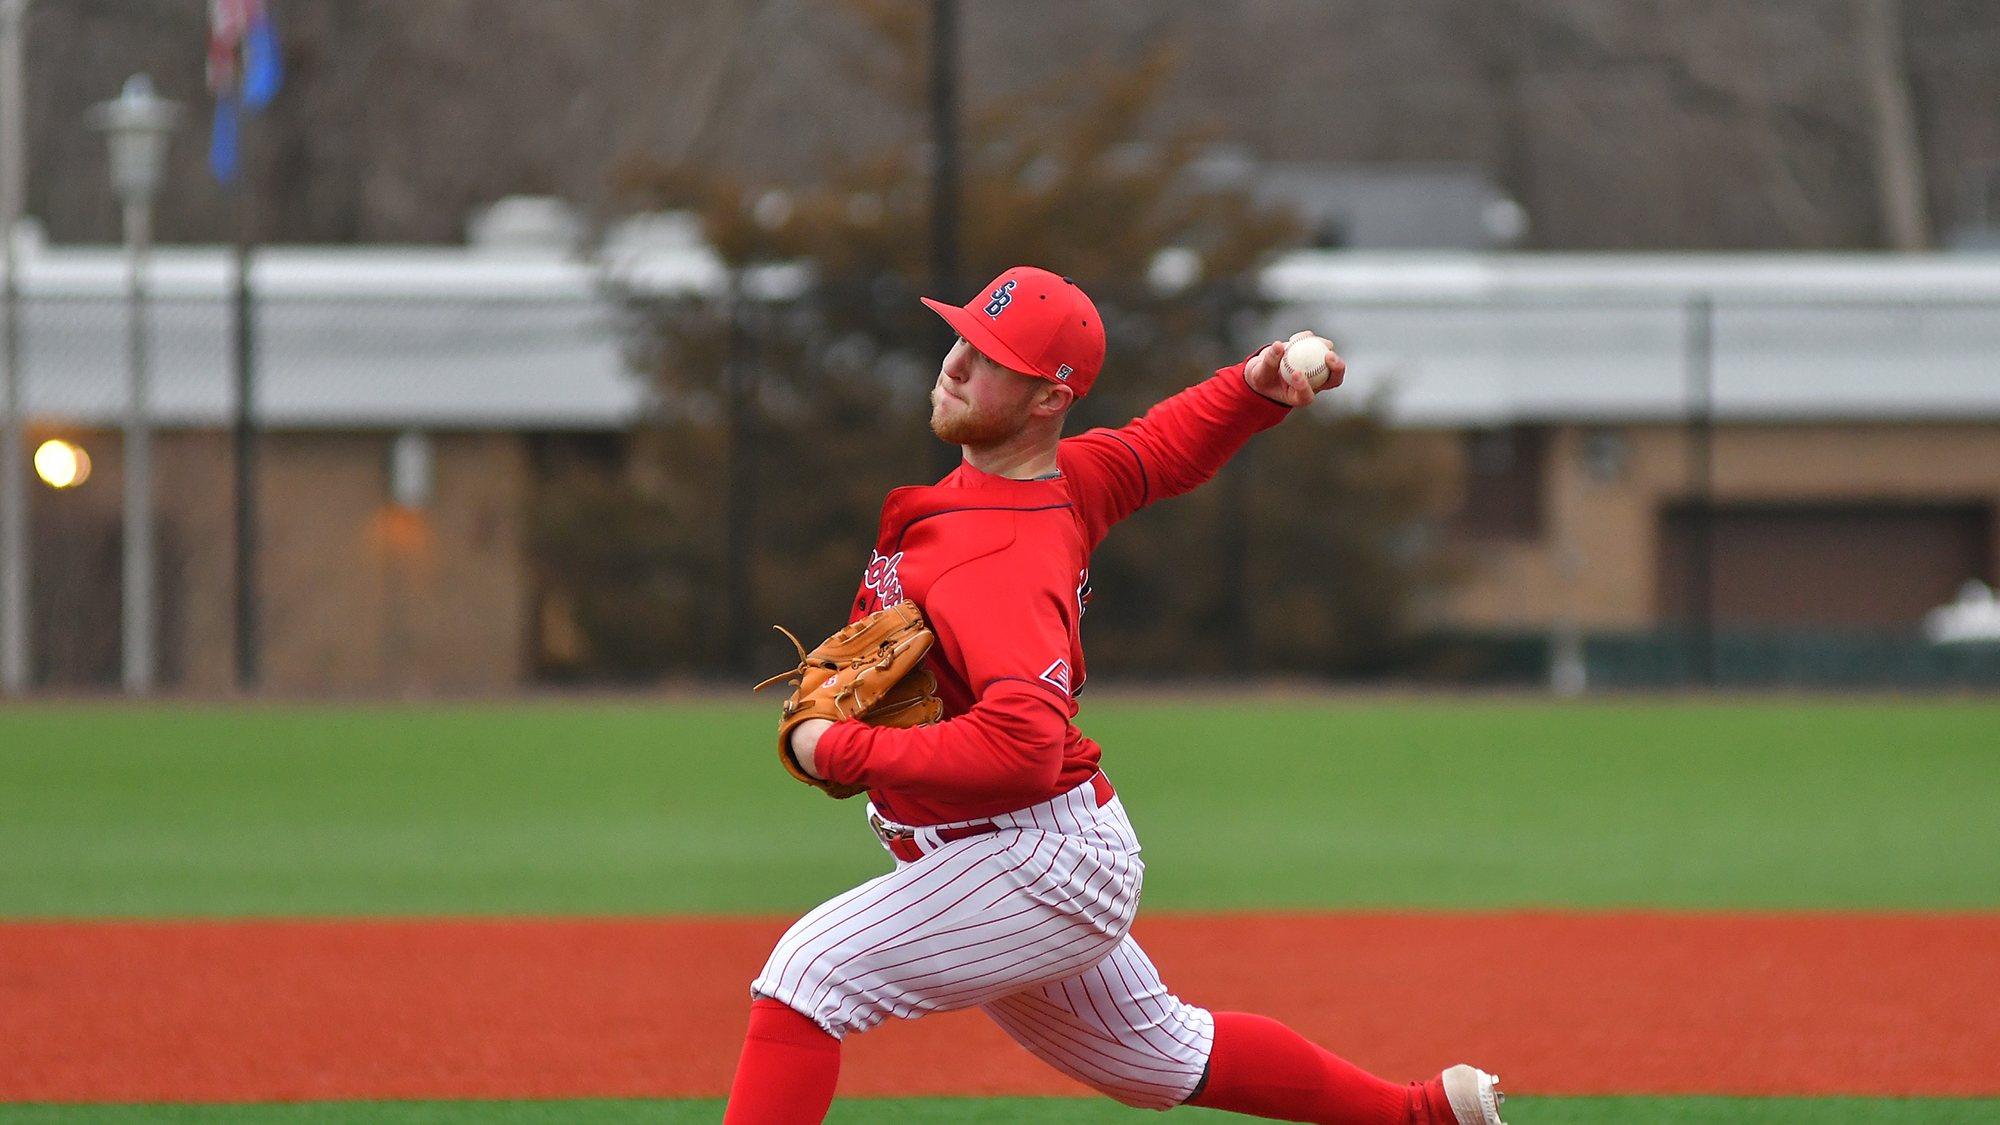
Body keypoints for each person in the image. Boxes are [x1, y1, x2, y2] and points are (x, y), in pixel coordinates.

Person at [723, 266, 1506, 1125]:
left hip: (1033, 858)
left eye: (991, 357)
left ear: (1048, 398)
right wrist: (1253, 387)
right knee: (1163, 1054)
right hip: (1017, 845)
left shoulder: (1001, 557)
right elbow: (1158, 448)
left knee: (810, 974)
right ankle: (1428, 1115)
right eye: (963, 338)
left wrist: (838, 748)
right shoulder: (1060, 483)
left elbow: (1022, 744)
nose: (954, 364)